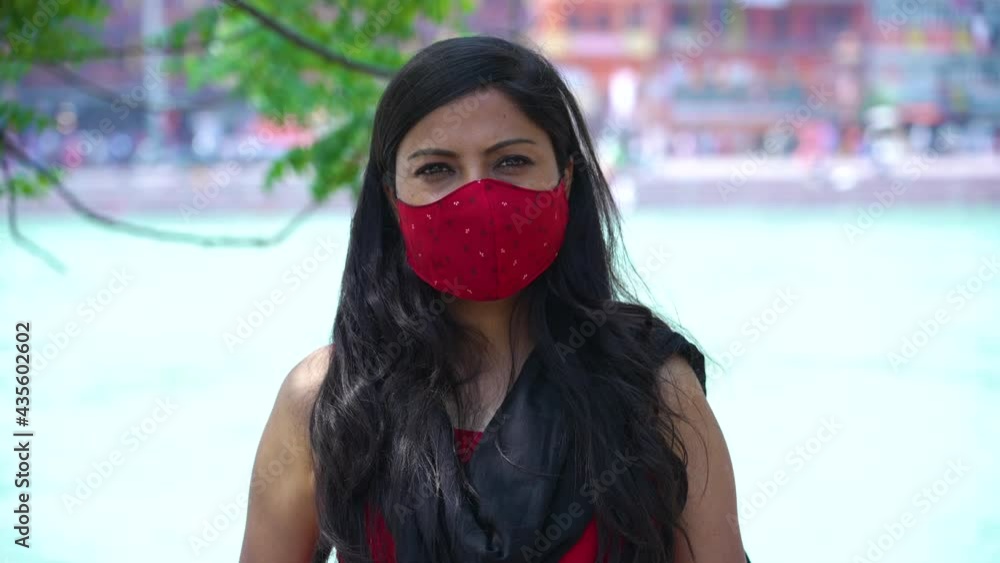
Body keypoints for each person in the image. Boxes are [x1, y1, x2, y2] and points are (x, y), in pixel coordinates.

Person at [238, 35, 747, 563]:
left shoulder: (653, 389)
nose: (477, 194)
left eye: (511, 161)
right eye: (436, 169)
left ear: (566, 178)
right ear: (392, 196)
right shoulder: (328, 400)